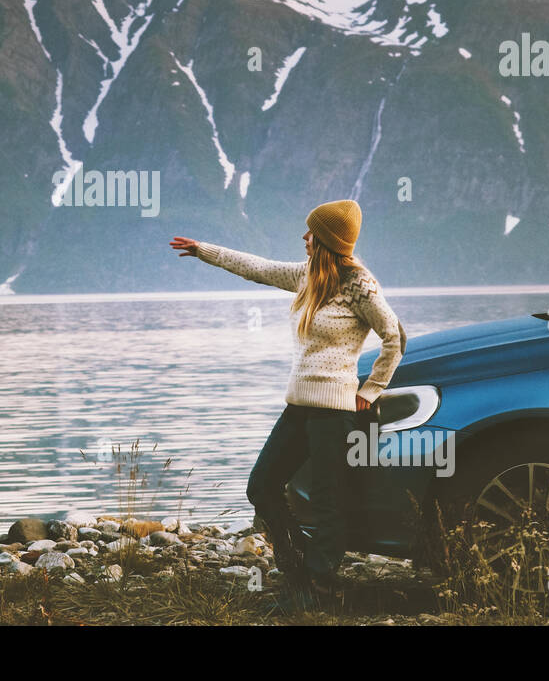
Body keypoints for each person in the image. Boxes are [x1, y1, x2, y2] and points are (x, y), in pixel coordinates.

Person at [169, 199, 406, 602]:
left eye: (311, 232)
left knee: (330, 502)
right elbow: (256, 267)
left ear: (328, 240)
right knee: (262, 486)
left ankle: (319, 584)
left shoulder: (360, 284)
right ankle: (299, 565)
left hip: (335, 413)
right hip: (299, 407)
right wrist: (203, 251)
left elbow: (394, 337)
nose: (304, 237)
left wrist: (371, 390)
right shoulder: (308, 276)